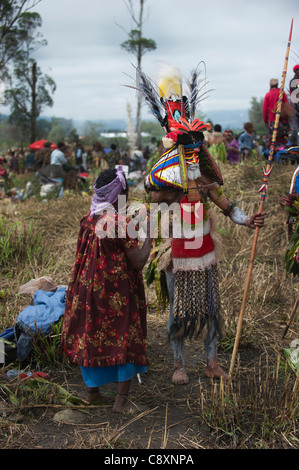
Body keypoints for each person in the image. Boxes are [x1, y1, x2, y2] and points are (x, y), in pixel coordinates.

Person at [131, 64, 266, 384]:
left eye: (195, 148)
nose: (192, 154)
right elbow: (149, 209)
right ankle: (179, 365)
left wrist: (247, 220)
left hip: (204, 253)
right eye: (186, 148)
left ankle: (211, 362)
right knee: (178, 310)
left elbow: (227, 205)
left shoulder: (205, 180)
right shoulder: (165, 184)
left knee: (211, 309)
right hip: (176, 254)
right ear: (177, 148)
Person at [60, 167, 153, 412]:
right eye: (125, 190)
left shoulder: (90, 217)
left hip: (88, 288)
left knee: (90, 333)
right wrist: (150, 236)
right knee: (124, 336)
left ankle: (93, 394)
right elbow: (138, 262)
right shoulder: (118, 222)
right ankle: (121, 403)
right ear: (118, 194)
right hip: (116, 292)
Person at [262, 78, 290, 147]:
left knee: (274, 140)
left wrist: (265, 121)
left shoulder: (268, 95)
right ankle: (284, 153)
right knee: (284, 139)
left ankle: (275, 154)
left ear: (270, 85)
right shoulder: (282, 93)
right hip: (283, 121)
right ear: (277, 85)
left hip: (273, 121)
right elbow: (287, 105)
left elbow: (265, 110)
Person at [289, 65, 299, 146]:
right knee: (296, 127)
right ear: (295, 71)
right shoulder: (293, 81)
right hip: (296, 105)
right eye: (298, 70)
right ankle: (294, 144)